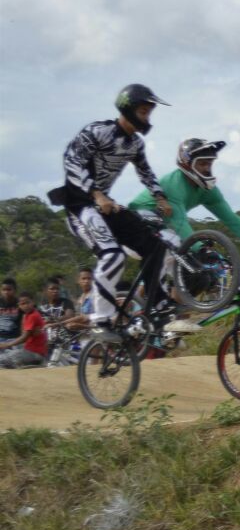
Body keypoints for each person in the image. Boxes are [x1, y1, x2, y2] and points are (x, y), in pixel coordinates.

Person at [49, 84, 176, 344]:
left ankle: (158, 309)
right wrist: (96, 193)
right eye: (143, 111)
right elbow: (71, 161)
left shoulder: (135, 144)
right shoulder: (97, 132)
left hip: (106, 205)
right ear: (128, 109)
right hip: (79, 206)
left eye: (149, 113)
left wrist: (160, 196)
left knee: (156, 246)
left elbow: (145, 171)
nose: (147, 117)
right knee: (113, 256)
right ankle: (101, 321)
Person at [129, 138, 240, 330]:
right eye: (202, 163)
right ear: (186, 164)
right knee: (185, 257)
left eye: (210, 163)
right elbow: (180, 223)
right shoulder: (174, 184)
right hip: (137, 223)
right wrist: (200, 248)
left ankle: (168, 317)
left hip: (164, 228)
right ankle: (150, 309)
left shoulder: (208, 190)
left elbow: (231, 219)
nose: (207, 168)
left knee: (200, 276)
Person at [0, 292, 48, 368]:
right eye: (22, 304)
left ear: (33, 302)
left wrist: (6, 345)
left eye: (28, 302)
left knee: (2, 360)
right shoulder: (28, 315)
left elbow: (24, 338)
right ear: (18, 306)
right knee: (8, 353)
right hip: (33, 351)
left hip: (34, 352)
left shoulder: (32, 316)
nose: (26, 306)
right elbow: (24, 335)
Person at [0, 279, 19, 347]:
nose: (6, 292)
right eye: (4, 290)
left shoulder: (20, 303)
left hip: (15, 339)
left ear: (15, 290)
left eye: (9, 290)